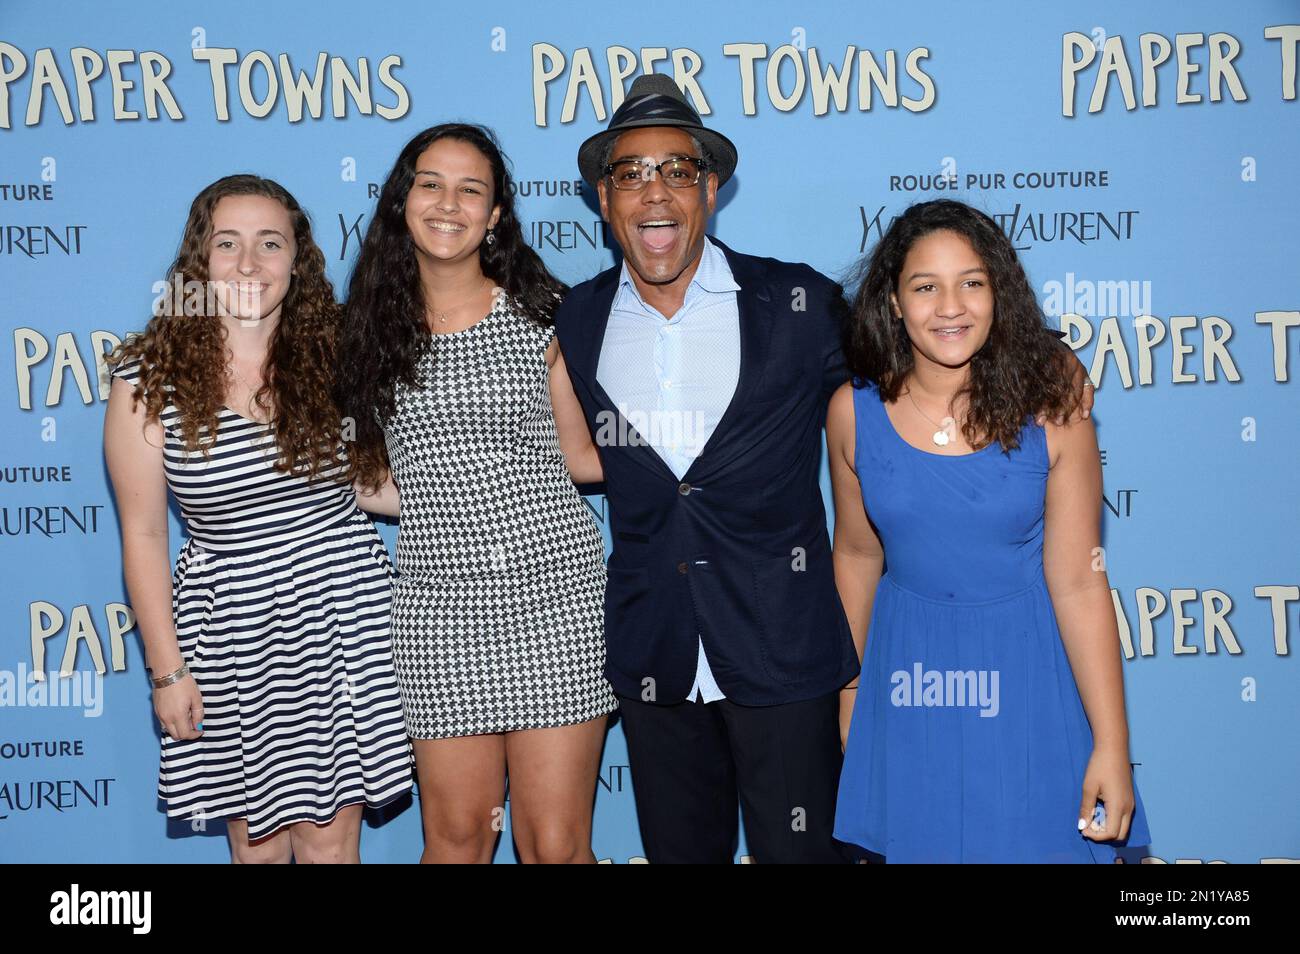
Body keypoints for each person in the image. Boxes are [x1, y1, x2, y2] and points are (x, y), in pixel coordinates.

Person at [557, 74, 1094, 863]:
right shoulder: (580, 315)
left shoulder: (796, 303)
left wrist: (1042, 349)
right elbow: (580, 455)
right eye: (631, 172)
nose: (655, 191)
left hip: (786, 655)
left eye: (676, 168)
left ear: (709, 188)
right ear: (605, 201)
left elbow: (919, 341)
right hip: (656, 662)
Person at [104, 174, 413, 864]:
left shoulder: (340, 357)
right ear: (199, 260)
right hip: (233, 631)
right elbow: (145, 535)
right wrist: (166, 671)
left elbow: (374, 485)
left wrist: (497, 489)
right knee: (261, 852)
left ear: (297, 261)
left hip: (343, 619)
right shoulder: (147, 379)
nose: (248, 264)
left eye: (269, 244)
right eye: (228, 244)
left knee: (332, 847)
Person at [830, 198, 1150, 862]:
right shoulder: (851, 414)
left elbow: (1079, 585)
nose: (951, 306)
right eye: (926, 286)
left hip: (1029, 674)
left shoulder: (1055, 408)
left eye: (972, 282)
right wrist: (851, 692)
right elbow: (857, 555)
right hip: (908, 680)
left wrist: (1112, 745)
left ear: (998, 293)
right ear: (892, 301)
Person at [336, 124, 616, 864]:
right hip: (438, 611)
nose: (449, 203)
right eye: (431, 184)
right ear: (403, 200)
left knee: (552, 845)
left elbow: (583, 454)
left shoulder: (545, 315)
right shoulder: (364, 332)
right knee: (458, 842)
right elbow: (365, 476)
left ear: (495, 216)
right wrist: (437, 499)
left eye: (472, 190)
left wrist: (699, 458)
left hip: (555, 600)